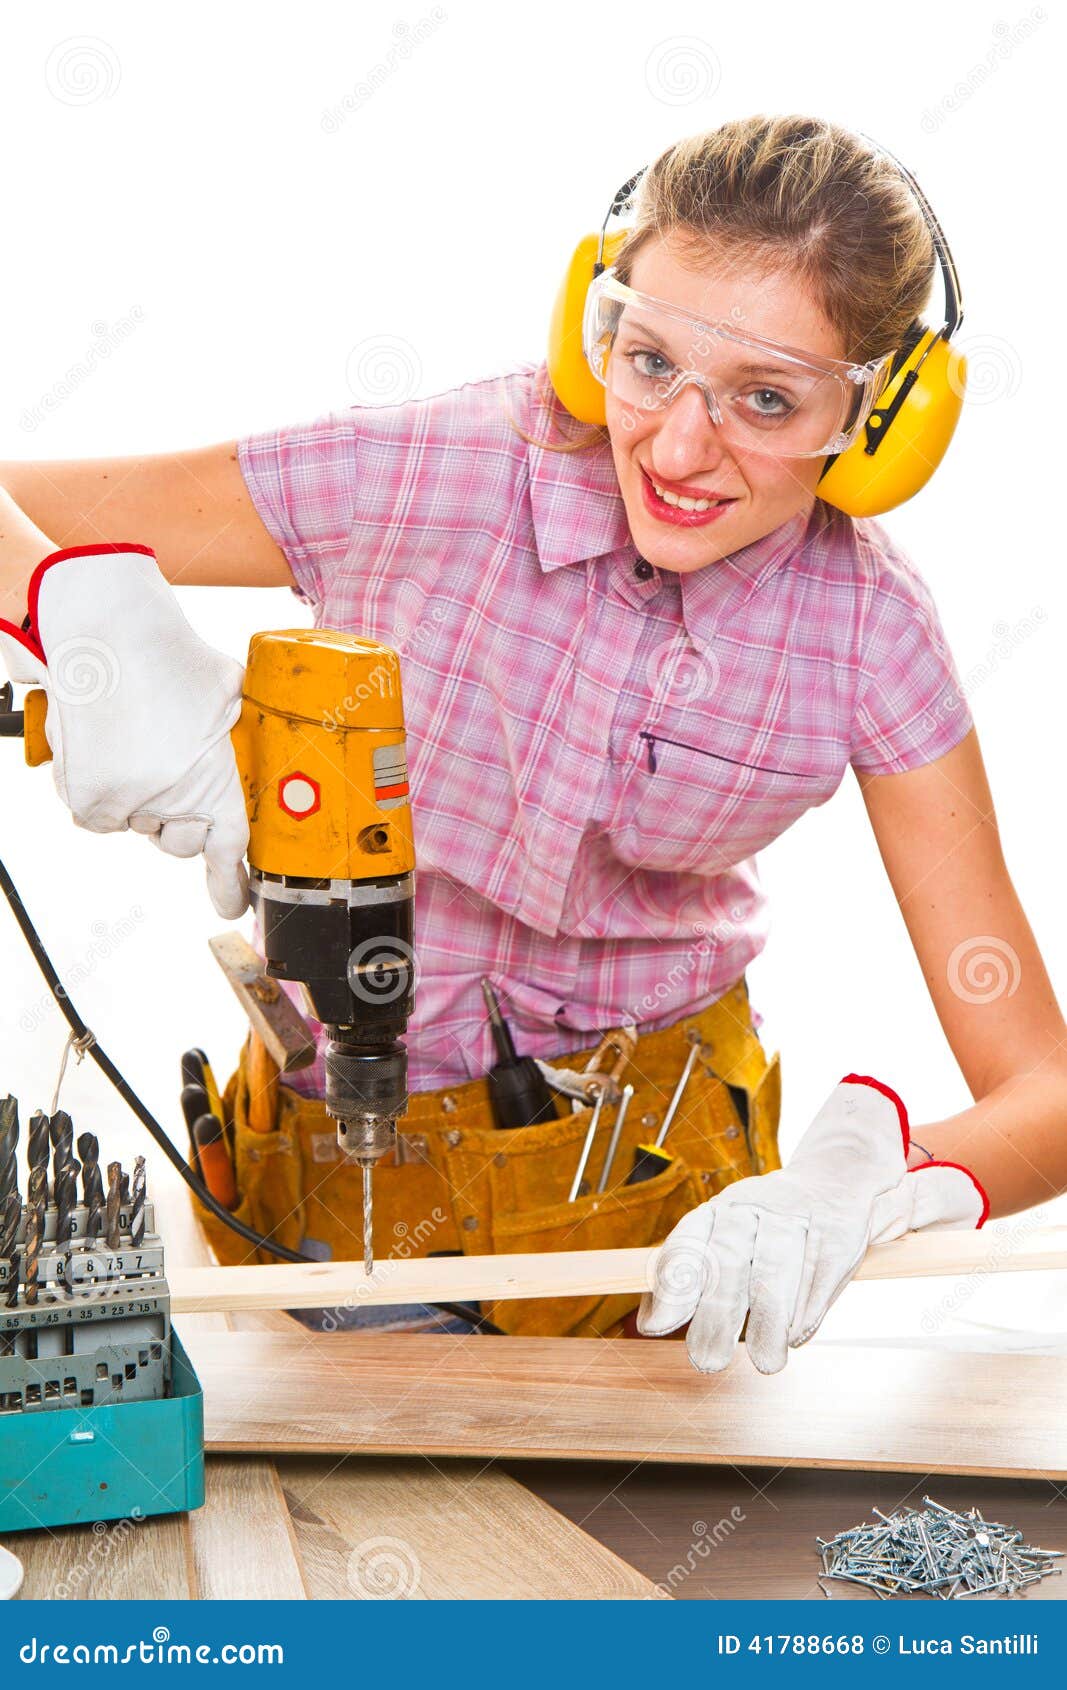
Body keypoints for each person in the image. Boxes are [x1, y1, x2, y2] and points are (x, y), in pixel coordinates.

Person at [2, 115, 1064, 1371]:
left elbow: (1041, 1093)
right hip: (316, 1202)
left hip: (650, 1227)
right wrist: (76, 620)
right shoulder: (432, 472)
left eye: (766, 400)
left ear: (878, 424)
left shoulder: (868, 635)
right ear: (588, 329)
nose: (675, 447)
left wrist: (876, 1171)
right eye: (649, 358)